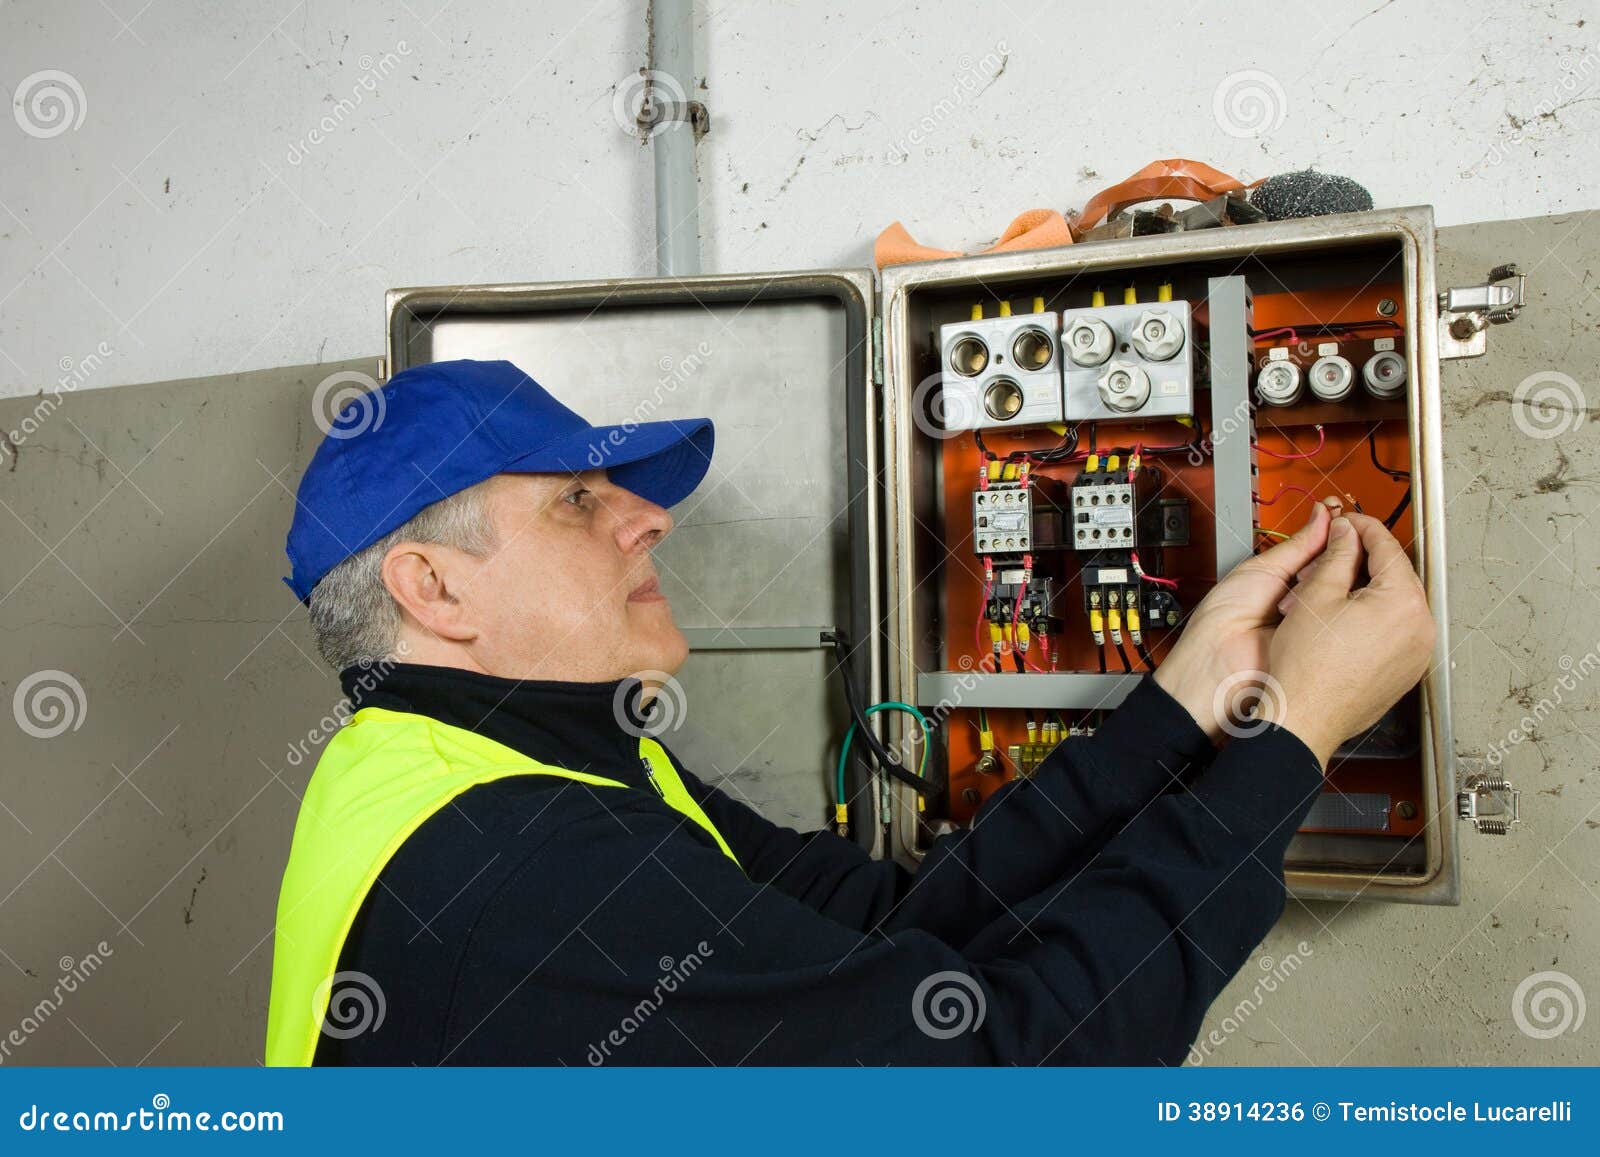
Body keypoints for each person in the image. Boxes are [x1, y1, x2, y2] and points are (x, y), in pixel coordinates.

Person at [264, 358, 1435, 1066]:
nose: (648, 519)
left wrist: (1189, 704)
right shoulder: (514, 863)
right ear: (434, 587)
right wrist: (1290, 739)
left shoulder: (537, 767)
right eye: (577, 498)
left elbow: (897, 926)